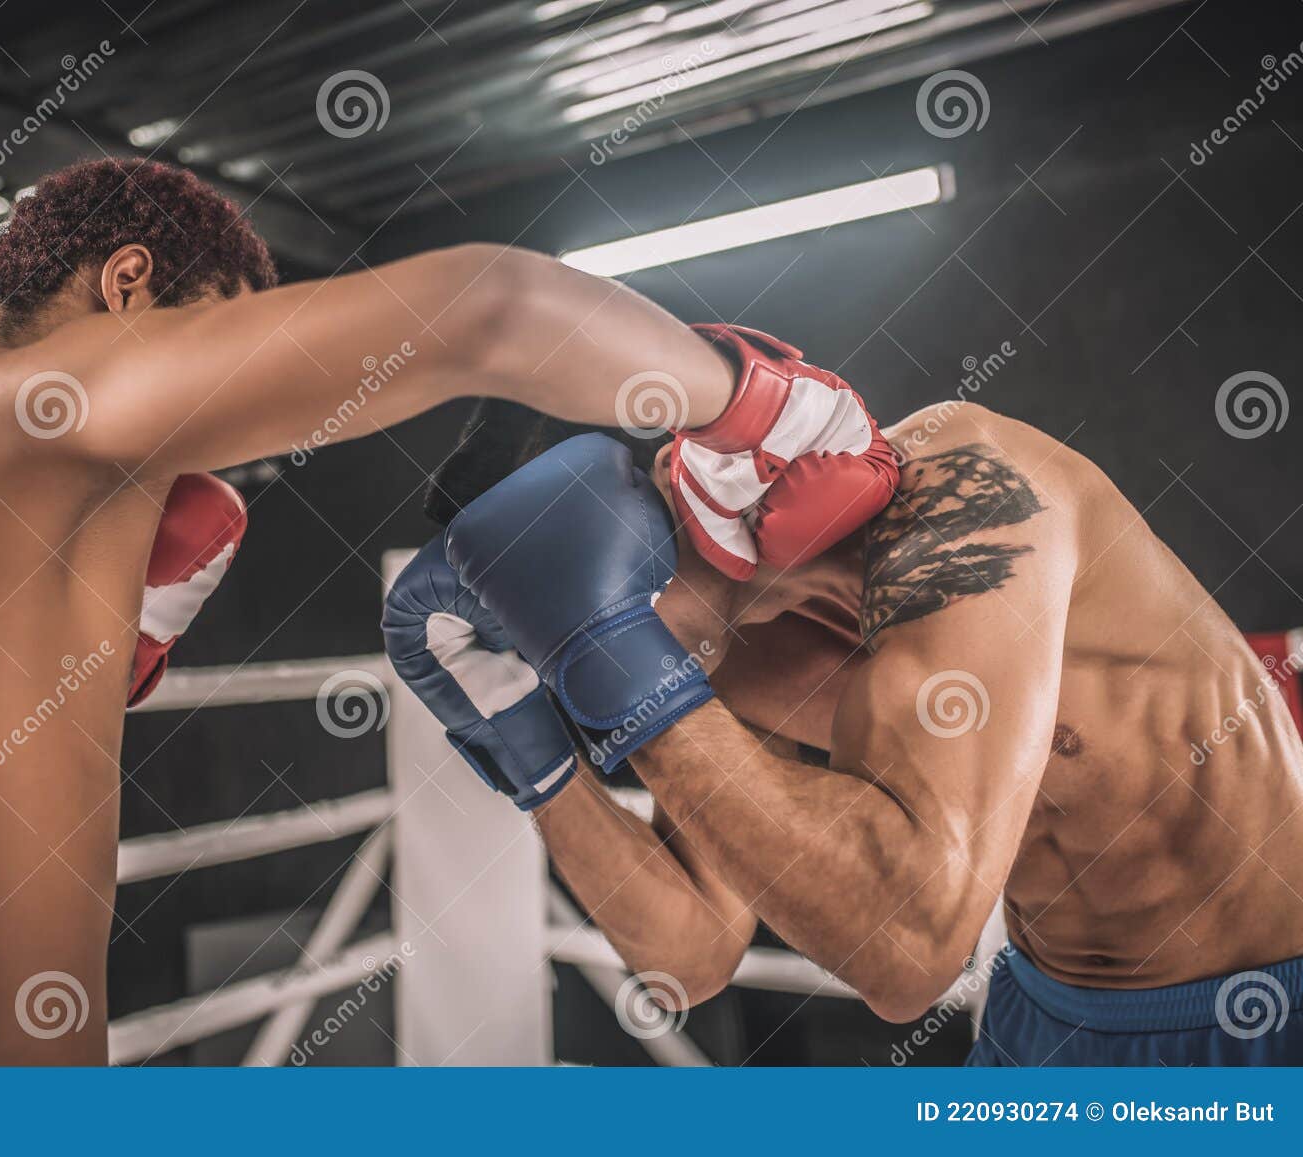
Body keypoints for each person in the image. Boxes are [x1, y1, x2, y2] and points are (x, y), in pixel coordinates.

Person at [0, 157, 744, 1065]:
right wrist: (753, 404)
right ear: (126, 283)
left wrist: (105, 651)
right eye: (208, 330)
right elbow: (496, 306)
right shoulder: (33, 413)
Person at [386, 326, 1303, 1066]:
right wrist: (535, 760)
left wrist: (609, 650)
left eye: (563, 614)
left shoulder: (968, 493)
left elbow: (911, 949)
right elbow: (694, 952)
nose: (569, 663)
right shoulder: (716, 656)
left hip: (1266, 1015)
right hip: (1047, 1021)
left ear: (666, 482)